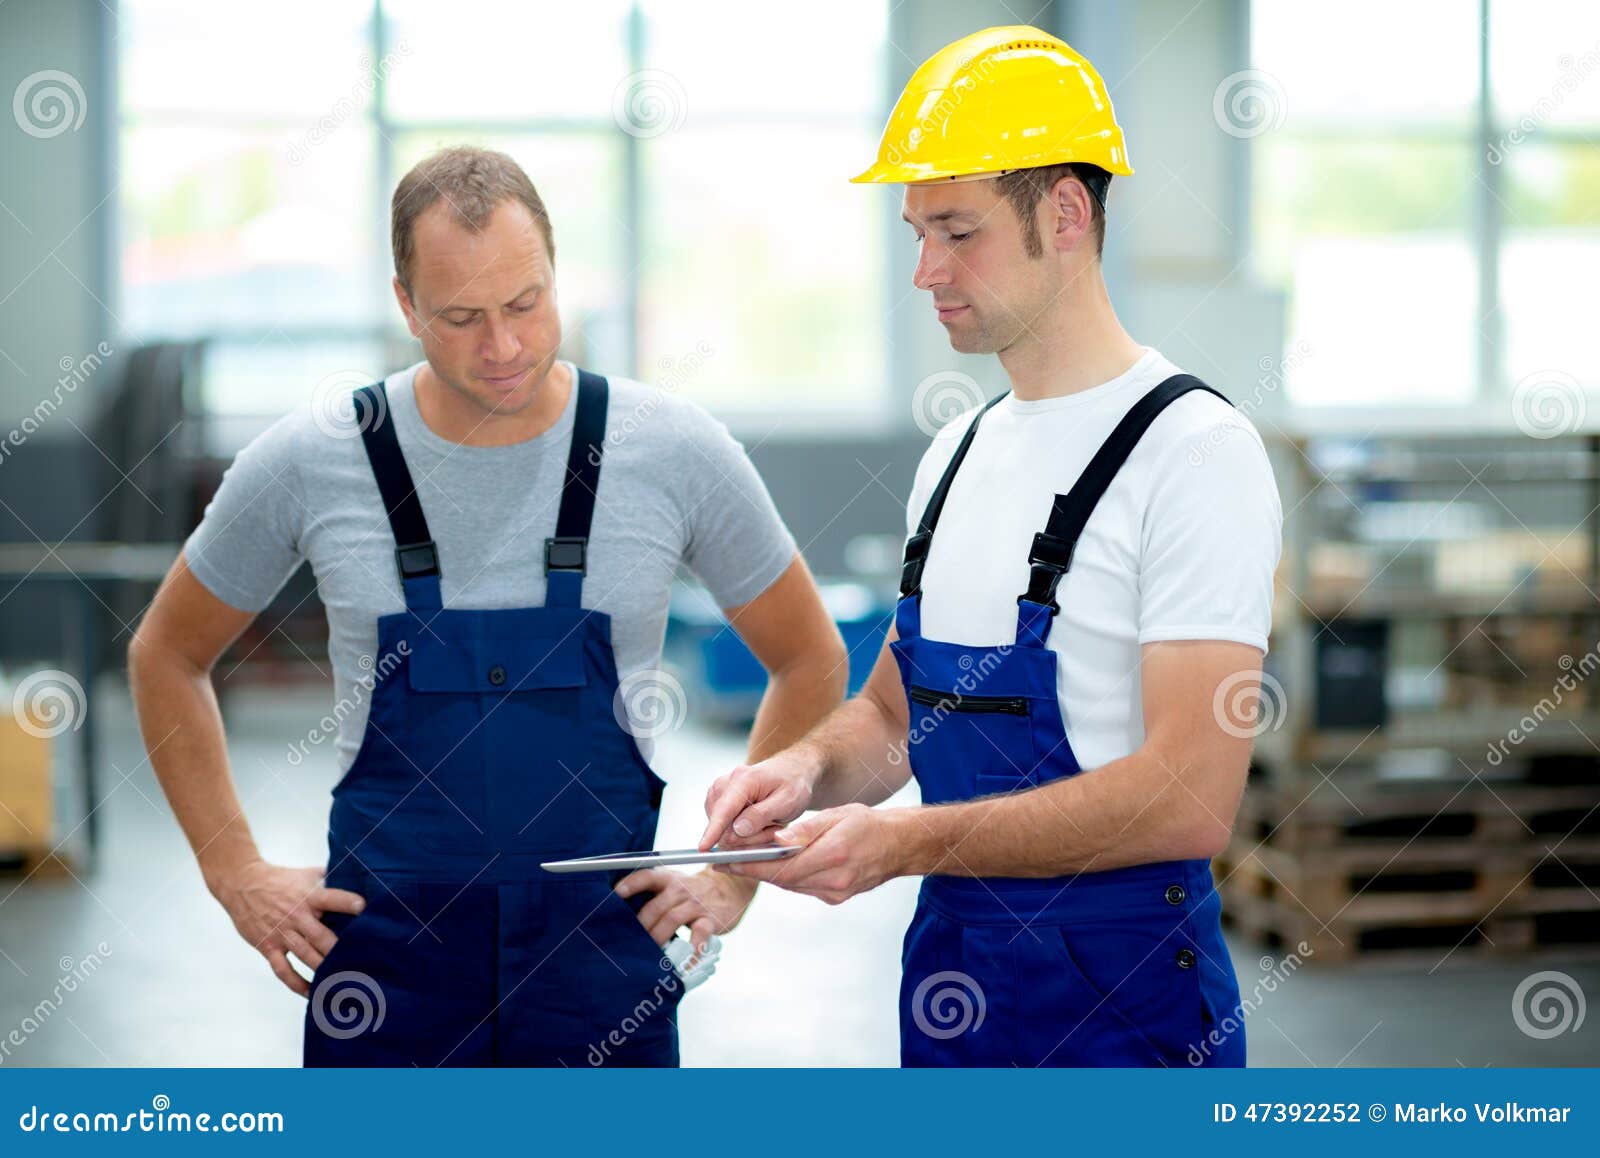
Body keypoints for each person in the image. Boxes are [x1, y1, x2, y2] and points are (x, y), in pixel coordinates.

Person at [129, 146, 847, 1067]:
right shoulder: (314, 458)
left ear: (556, 275)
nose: (502, 348)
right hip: (389, 976)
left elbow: (811, 656)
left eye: (525, 304)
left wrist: (734, 877)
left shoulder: (669, 449)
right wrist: (232, 871)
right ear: (405, 306)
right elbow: (166, 654)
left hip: (602, 973)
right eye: (461, 317)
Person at [700, 26, 1282, 1068]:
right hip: (954, 983)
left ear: (1063, 211)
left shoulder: (1193, 454)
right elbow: (890, 715)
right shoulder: (954, 456)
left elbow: (1190, 796)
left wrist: (903, 845)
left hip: (1123, 1004)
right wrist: (803, 770)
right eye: (916, 232)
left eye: (956, 231)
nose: (925, 270)